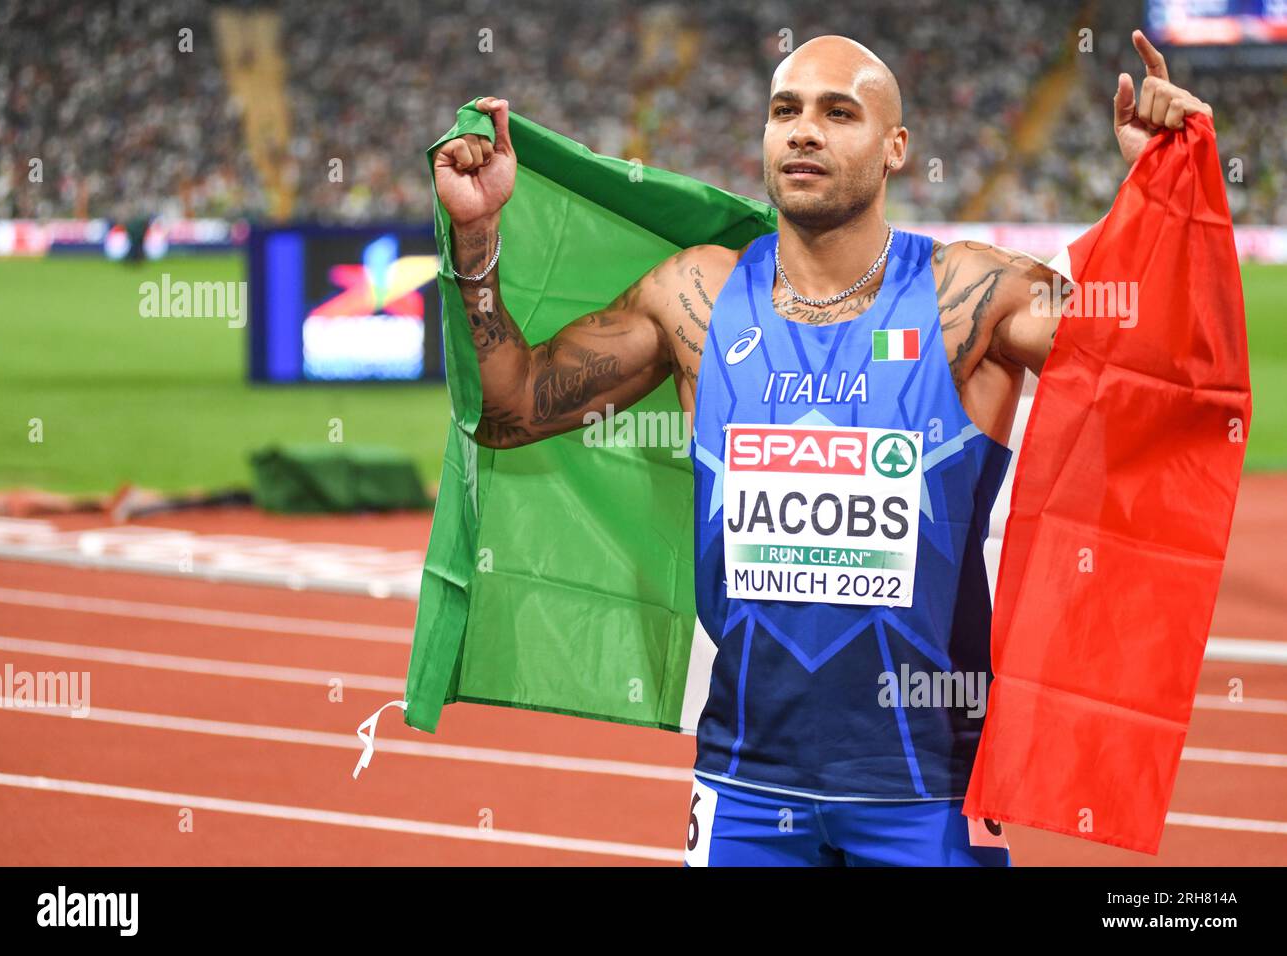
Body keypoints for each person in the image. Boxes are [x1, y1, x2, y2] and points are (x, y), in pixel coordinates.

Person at [432, 30, 1213, 866]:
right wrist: (476, 240)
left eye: (839, 113)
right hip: (744, 783)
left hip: (928, 788)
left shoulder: (972, 293)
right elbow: (509, 409)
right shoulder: (697, 294)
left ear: (895, 149)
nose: (804, 130)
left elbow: (1160, 385)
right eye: (784, 111)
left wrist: (1161, 195)